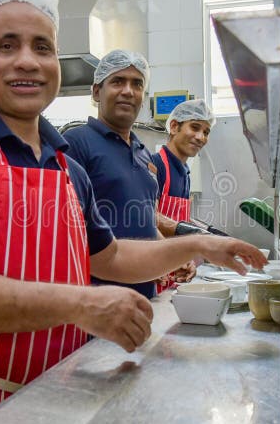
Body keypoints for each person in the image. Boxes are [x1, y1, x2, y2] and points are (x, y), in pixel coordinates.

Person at [0, 0, 265, 424]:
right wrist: (81, 304)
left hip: (57, 391)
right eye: (6, 45)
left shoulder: (66, 166)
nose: (27, 60)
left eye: (42, 47)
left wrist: (199, 244)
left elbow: (108, 257)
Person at [63, 50, 194, 299]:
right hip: (98, 298)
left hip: (144, 296)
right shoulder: (76, 143)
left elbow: (147, 220)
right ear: (96, 92)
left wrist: (169, 255)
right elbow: (69, 229)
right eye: (117, 81)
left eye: (137, 84)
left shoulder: (144, 154)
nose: (128, 91)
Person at [150, 99, 215, 225]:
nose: (201, 137)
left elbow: (180, 219)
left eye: (206, 132)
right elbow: (149, 217)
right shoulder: (155, 165)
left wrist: (207, 230)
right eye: (194, 127)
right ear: (174, 127)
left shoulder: (185, 173)